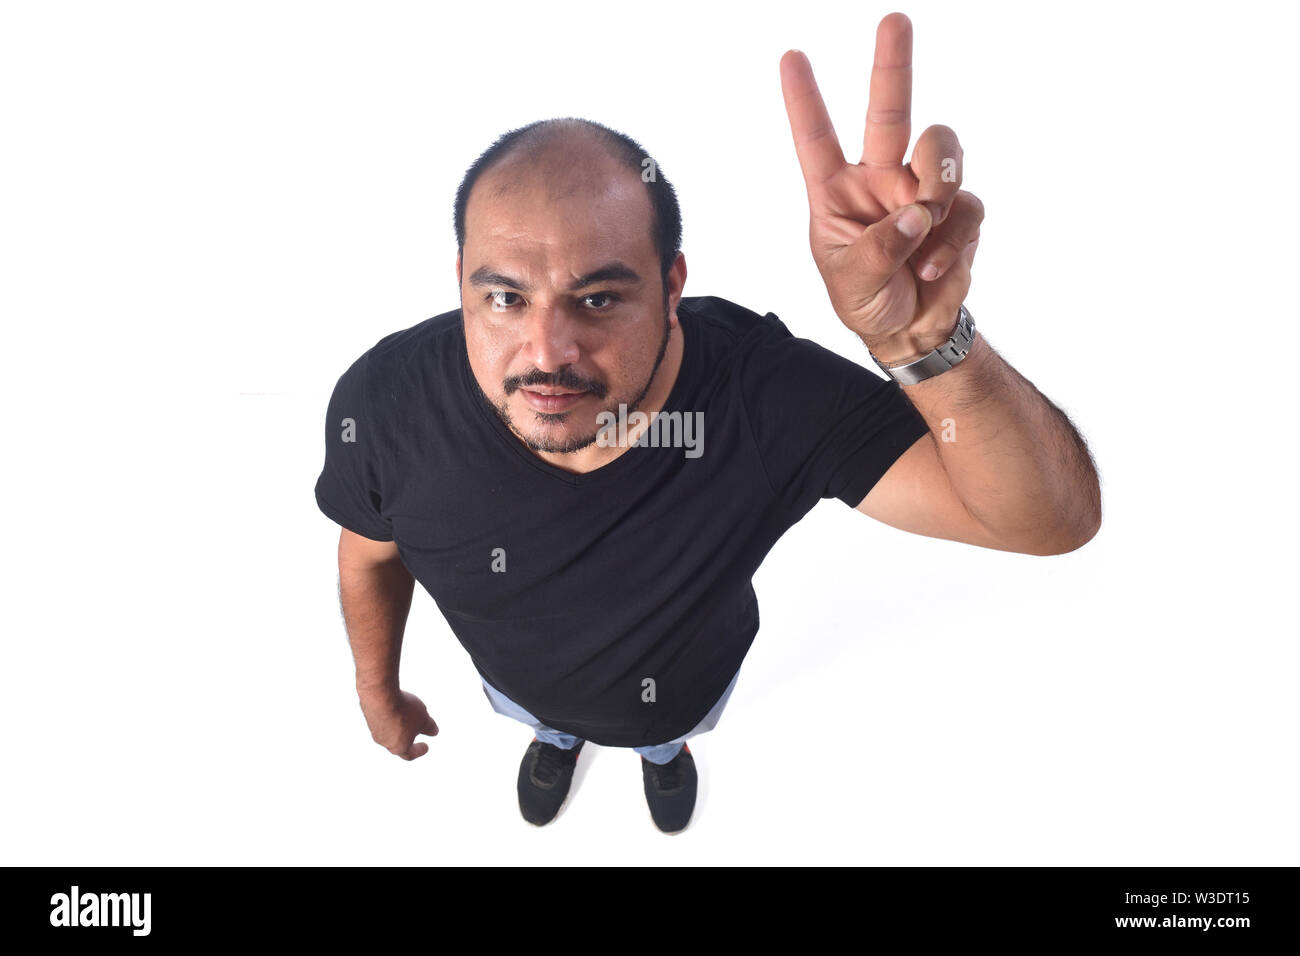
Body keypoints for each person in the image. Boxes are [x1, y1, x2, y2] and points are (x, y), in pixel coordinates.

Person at [313, 13, 1102, 834]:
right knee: (547, 718)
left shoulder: (768, 397)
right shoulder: (383, 404)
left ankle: (664, 753)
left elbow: (1051, 521)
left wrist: (923, 344)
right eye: (505, 297)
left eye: (599, 298)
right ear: (461, 283)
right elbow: (368, 555)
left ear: (671, 286)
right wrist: (375, 690)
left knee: (665, 731)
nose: (547, 352)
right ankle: (556, 739)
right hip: (514, 690)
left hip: (686, 695)